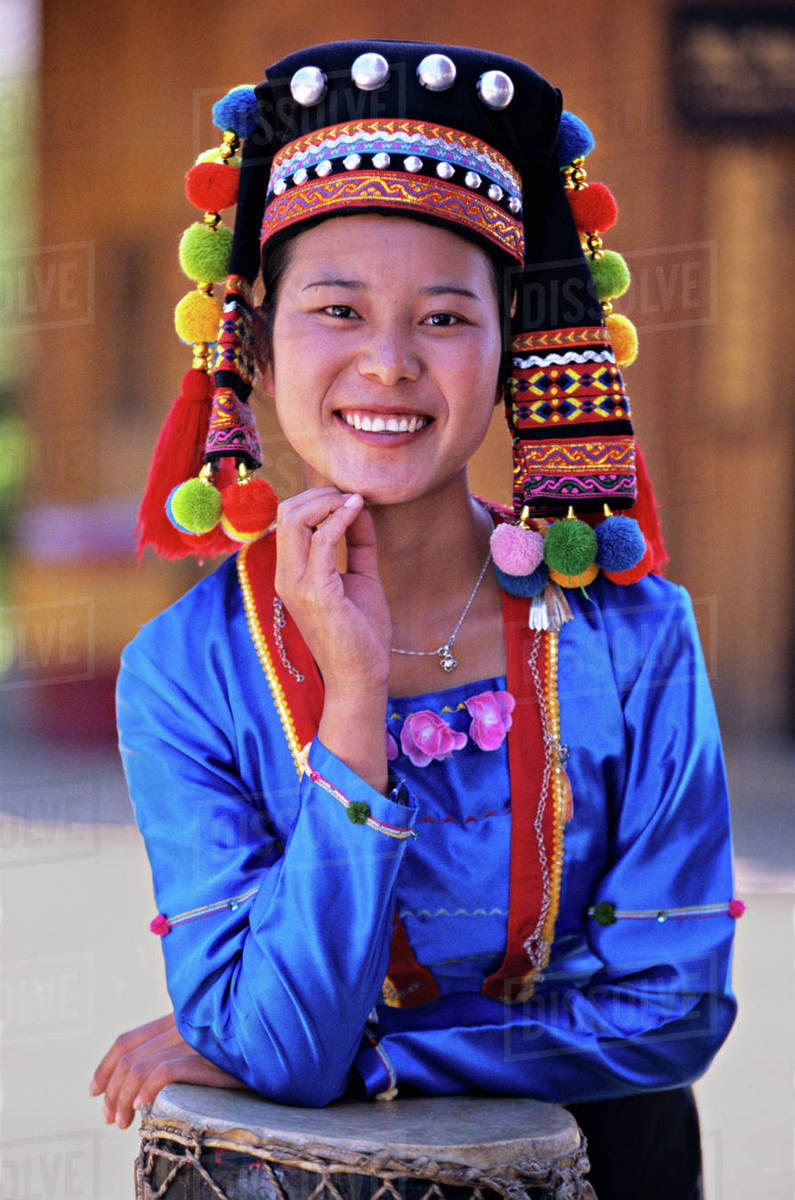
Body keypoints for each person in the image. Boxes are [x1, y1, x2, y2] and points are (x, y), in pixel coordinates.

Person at [89, 41, 741, 1198]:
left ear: (510, 357)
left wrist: (375, 1060)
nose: (387, 364)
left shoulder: (635, 639)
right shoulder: (185, 672)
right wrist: (352, 695)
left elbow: (672, 1008)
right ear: (254, 341)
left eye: (444, 320)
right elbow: (279, 1049)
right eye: (336, 308)